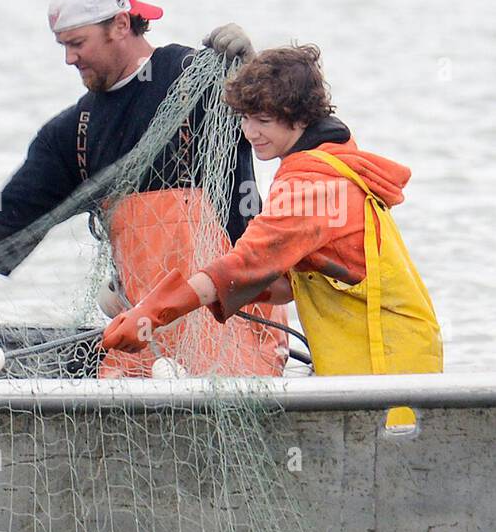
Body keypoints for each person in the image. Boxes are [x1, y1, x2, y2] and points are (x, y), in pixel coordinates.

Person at [0, 0, 284, 377]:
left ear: (119, 25)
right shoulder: (74, 133)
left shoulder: (201, 80)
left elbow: (281, 121)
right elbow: (5, 216)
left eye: (77, 43)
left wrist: (251, 70)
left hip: (236, 323)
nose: (68, 58)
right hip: (146, 336)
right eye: (62, 45)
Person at [102, 45, 443, 398]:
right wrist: (209, 292)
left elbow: (246, 263)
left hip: (387, 359)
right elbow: (284, 286)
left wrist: (153, 314)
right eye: (245, 118)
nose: (250, 132)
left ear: (300, 118)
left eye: (263, 121)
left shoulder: (311, 184)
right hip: (384, 349)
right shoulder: (329, 158)